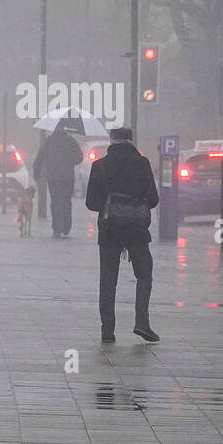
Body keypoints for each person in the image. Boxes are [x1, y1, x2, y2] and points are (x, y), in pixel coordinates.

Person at [84, 127, 160, 343]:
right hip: (137, 230)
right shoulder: (142, 164)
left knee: (108, 280)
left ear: (111, 140)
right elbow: (153, 200)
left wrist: (112, 205)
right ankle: (142, 323)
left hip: (109, 230)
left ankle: (107, 330)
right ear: (131, 140)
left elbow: (91, 203)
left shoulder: (100, 165)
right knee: (144, 275)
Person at [32, 126, 84, 238]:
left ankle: (57, 228)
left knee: (55, 201)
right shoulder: (70, 141)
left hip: (53, 177)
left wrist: (36, 172)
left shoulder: (48, 141)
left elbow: (40, 157)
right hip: (68, 177)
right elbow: (80, 157)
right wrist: (71, 160)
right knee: (66, 201)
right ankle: (66, 227)